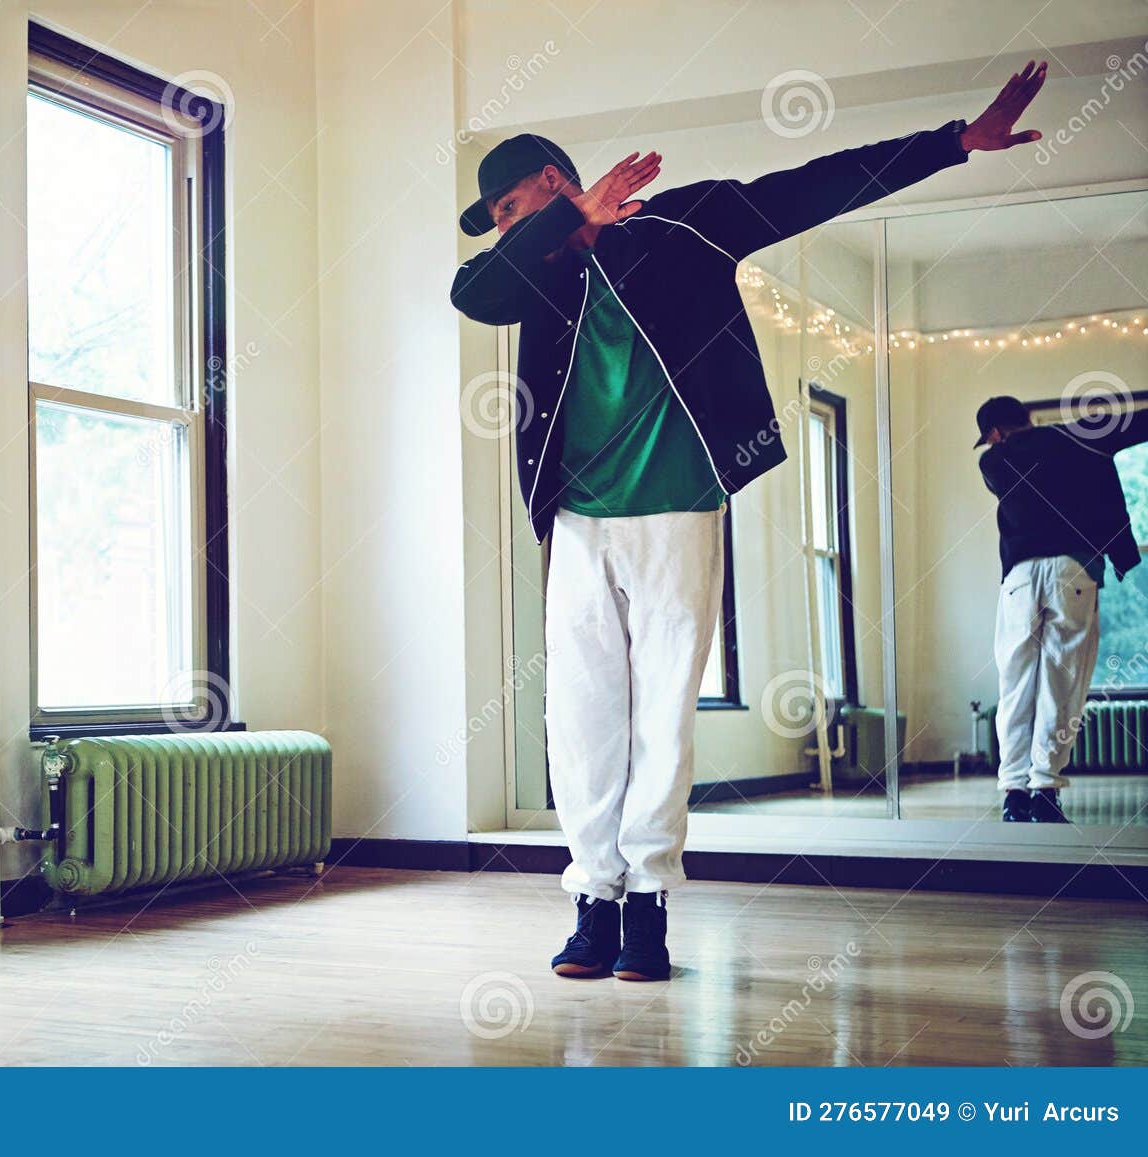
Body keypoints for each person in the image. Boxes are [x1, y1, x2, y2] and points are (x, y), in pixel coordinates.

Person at [449, 62, 1049, 981]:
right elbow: (472, 294)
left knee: (663, 715)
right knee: (578, 715)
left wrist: (952, 142)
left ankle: (644, 904)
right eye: (493, 217)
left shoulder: (681, 224)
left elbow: (806, 190)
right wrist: (572, 227)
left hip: (678, 507)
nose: (500, 225)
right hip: (575, 519)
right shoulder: (532, 278)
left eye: (506, 206)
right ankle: (591, 900)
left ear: (554, 182)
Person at [975, 395, 1144, 824]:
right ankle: (1045, 791)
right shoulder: (1076, 439)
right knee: (1061, 685)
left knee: (1015, 686)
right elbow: (1130, 426)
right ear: (1026, 418)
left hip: (1019, 578)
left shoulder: (993, 462)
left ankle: (1014, 793)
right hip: (1073, 569)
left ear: (994, 433)